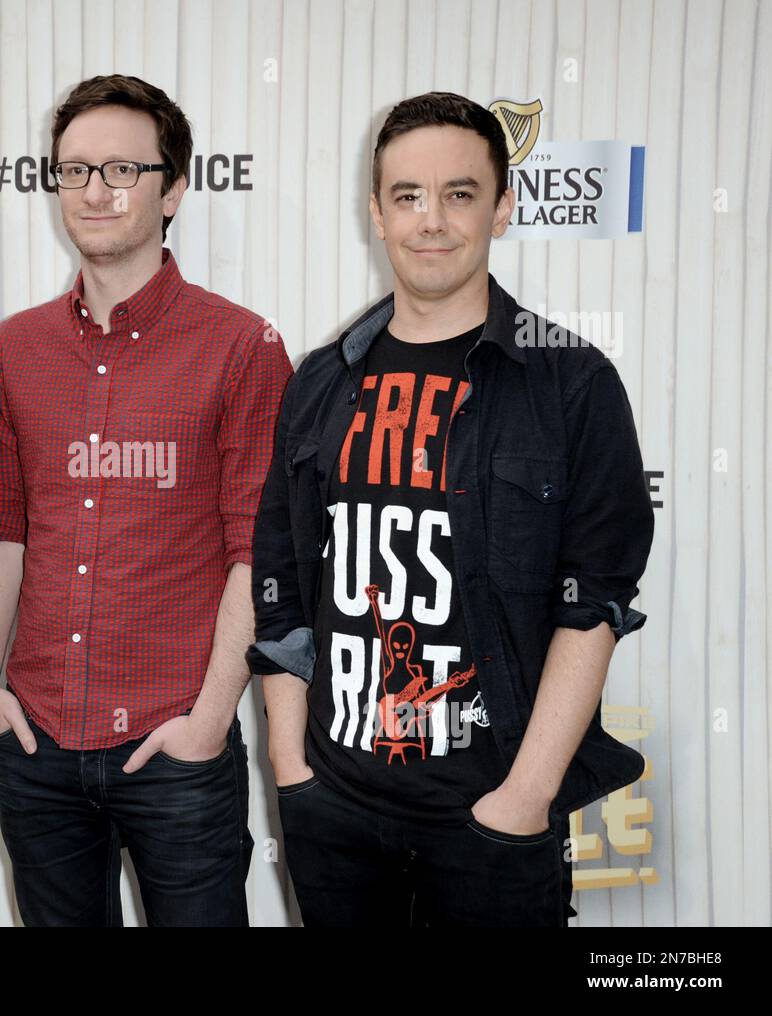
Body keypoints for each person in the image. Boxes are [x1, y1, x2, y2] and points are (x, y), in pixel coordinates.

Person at [250, 91, 654, 927]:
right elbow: (282, 585)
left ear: (504, 208)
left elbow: (595, 605)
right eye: (407, 196)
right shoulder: (319, 382)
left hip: (494, 815)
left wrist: (526, 796)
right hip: (335, 812)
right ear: (376, 213)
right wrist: (292, 771)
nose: (431, 220)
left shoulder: (572, 383)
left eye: (460, 194)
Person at [0, 74, 292, 926]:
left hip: (174, 745)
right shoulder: (14, 350)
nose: (94, 191)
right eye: (74, 171)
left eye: (121, 169)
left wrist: (211, 719)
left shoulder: (241, 346)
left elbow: (256, 550)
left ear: (174, 185)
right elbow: (4, 529)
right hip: (35, 741)